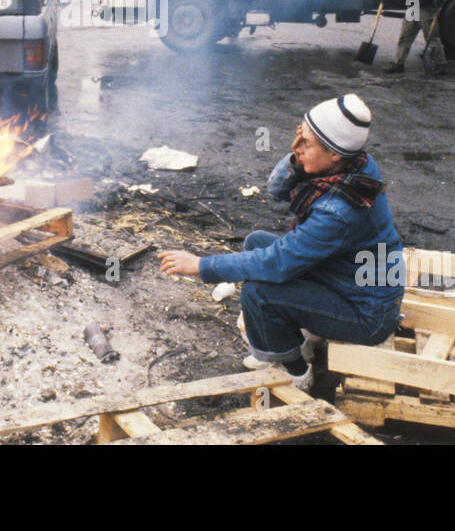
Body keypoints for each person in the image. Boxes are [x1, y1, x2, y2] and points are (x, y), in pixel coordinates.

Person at [159, 95, 404, 390]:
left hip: (367, 313)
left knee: (259, 292)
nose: (295, 148)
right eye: (299, 135)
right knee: (256, 242)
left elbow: (277, 263)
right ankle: (296, 340)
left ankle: (297, 374)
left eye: (306, 144)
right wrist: (296, 157)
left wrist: (202, 265)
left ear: (335, 154)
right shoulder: (354, 162)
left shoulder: (338, 211)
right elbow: (276, 188)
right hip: (349, 277)